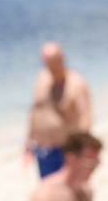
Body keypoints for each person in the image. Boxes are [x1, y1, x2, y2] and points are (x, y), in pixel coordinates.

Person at [25, 42, 92, 178]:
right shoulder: (42, 78)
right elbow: (35, 112)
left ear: (62, 59)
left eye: (54, 61)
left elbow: (86, 117)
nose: (52, 66)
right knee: (47, 189)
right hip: (42, 150)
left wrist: (78, 149)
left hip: (65, 149)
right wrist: (28, 142)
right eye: (47, 62)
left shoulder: (76, 84)